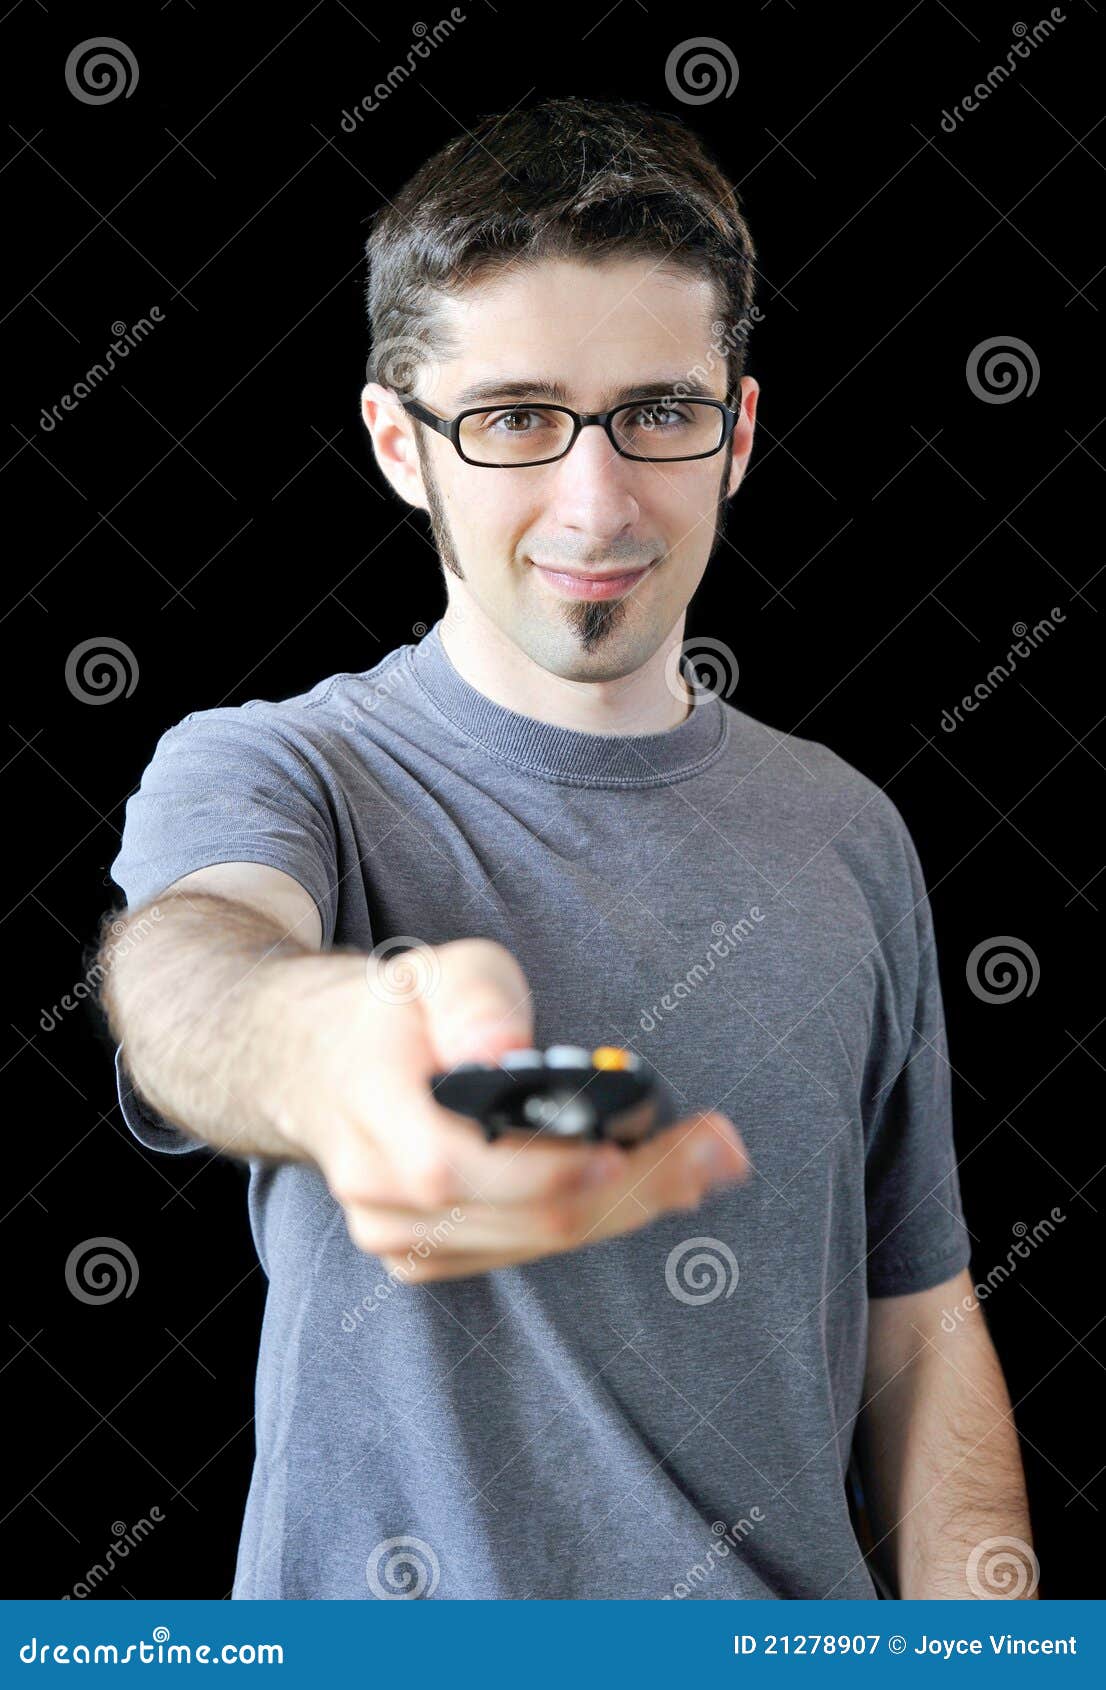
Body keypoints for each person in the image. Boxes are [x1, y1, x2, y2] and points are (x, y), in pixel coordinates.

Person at [98, 95, 1036, 1602]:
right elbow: (198, 974)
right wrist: (340, 1052)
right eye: (516, 418)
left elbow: (916, 1325)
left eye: (657, 412)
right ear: (401, 445)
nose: (594, 503)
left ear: (735, 430)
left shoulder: (849, 830)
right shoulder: (280, 766)